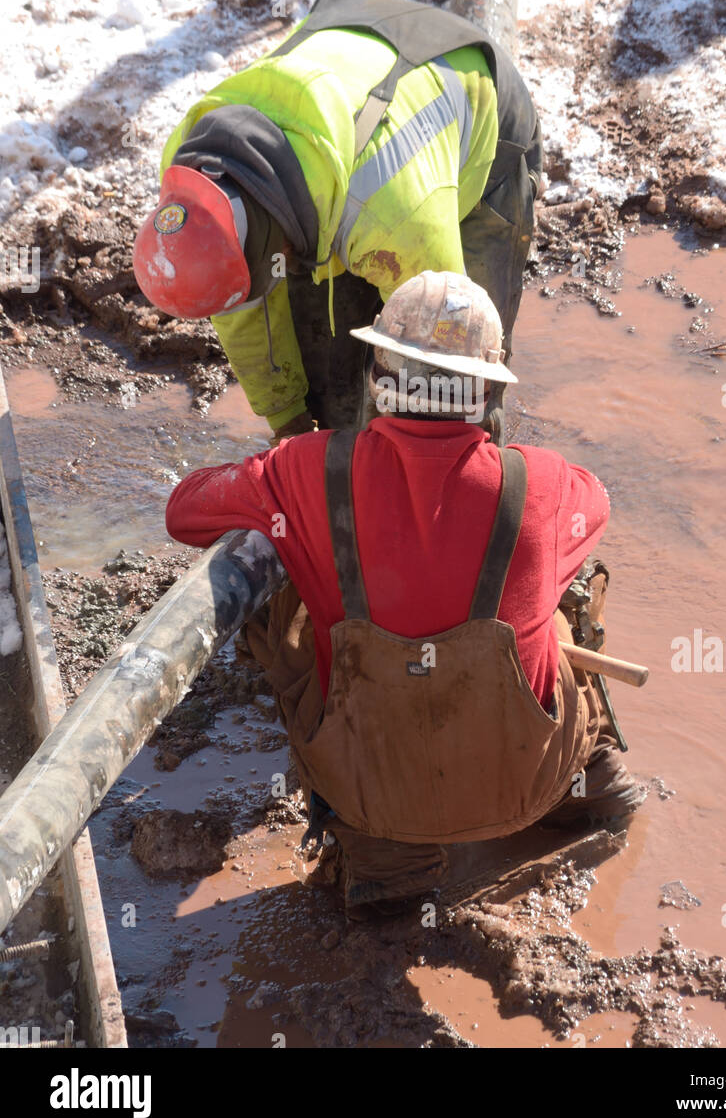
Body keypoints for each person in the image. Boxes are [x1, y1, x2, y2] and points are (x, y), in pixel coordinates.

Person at [165, 271, 644, 919]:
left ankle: (385, 856)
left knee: (283, 612)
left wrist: (286, 504)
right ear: (486, 393)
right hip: (532, 781)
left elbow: (184, 512)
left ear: (377, 379)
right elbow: (598, 504)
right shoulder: (547, 483)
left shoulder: (306, 469)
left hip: (373, 794)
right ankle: (591, 789)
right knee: (566, 600)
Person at [134, 0, 542, 443]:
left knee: (449, 397)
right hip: (345, 74)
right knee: (329, 390)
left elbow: (447, 344)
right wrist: (289, 428)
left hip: (477, 123)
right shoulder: (195, 179)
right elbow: (242, 308)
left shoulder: (396, 214)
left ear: (275, 245)